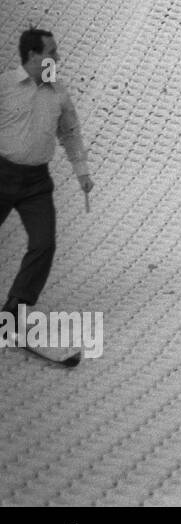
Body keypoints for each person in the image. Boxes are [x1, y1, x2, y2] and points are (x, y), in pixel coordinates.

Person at [0, 29, 92, 331]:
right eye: (51, 52)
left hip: (37, 182)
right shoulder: (5, 86)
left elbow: (70, 133)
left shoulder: (58, 92)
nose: (58, 57)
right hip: (2, 174)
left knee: (44, 244)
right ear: (32, 56)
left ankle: (13, 312)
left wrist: (82, 173)